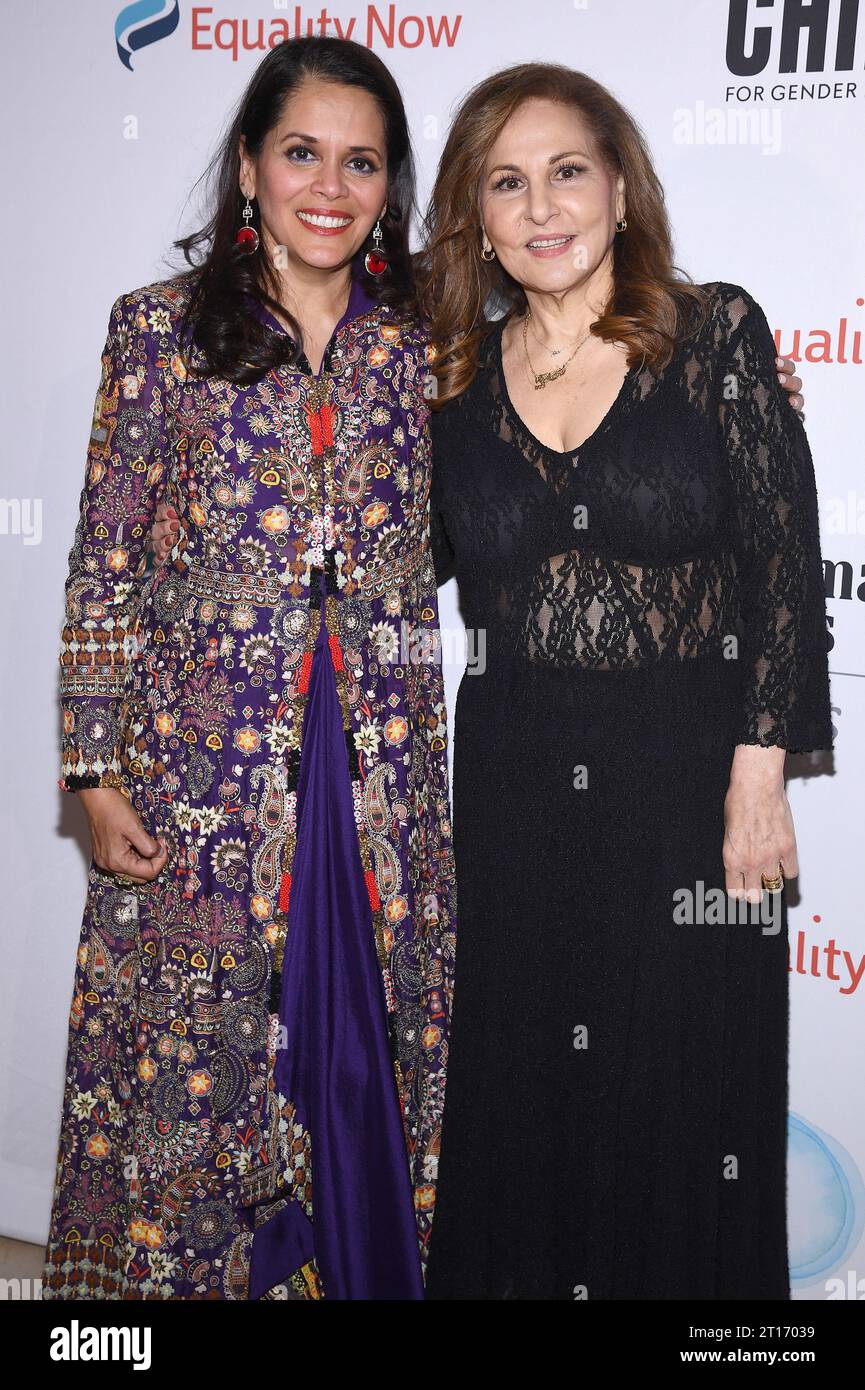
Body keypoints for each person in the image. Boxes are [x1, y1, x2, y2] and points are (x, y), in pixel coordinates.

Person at [43, 37, 455, 1301]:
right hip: (207, 767)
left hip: (380, 758)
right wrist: (93, 768)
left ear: (390, 188)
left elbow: (575, 387)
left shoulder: (428, 346)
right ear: (246, 168)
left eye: (362, 161)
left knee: (370, 1035)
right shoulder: (159, 333)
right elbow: (106, 556)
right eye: (300, 153)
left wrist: (726, 392)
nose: (328, 185)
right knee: (201, 1056)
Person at [413, 64, 832, 1300]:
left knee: (688, 1094)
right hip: (514, 793)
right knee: (525, 1086)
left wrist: (759, 774)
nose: (541, 206)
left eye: (566, 171)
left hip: (688, 788)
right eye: (506, 181)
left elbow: (781, 567)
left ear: (620, 185)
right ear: (474, 217)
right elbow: (401, 569)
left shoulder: (717, 341)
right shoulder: (446, 388)